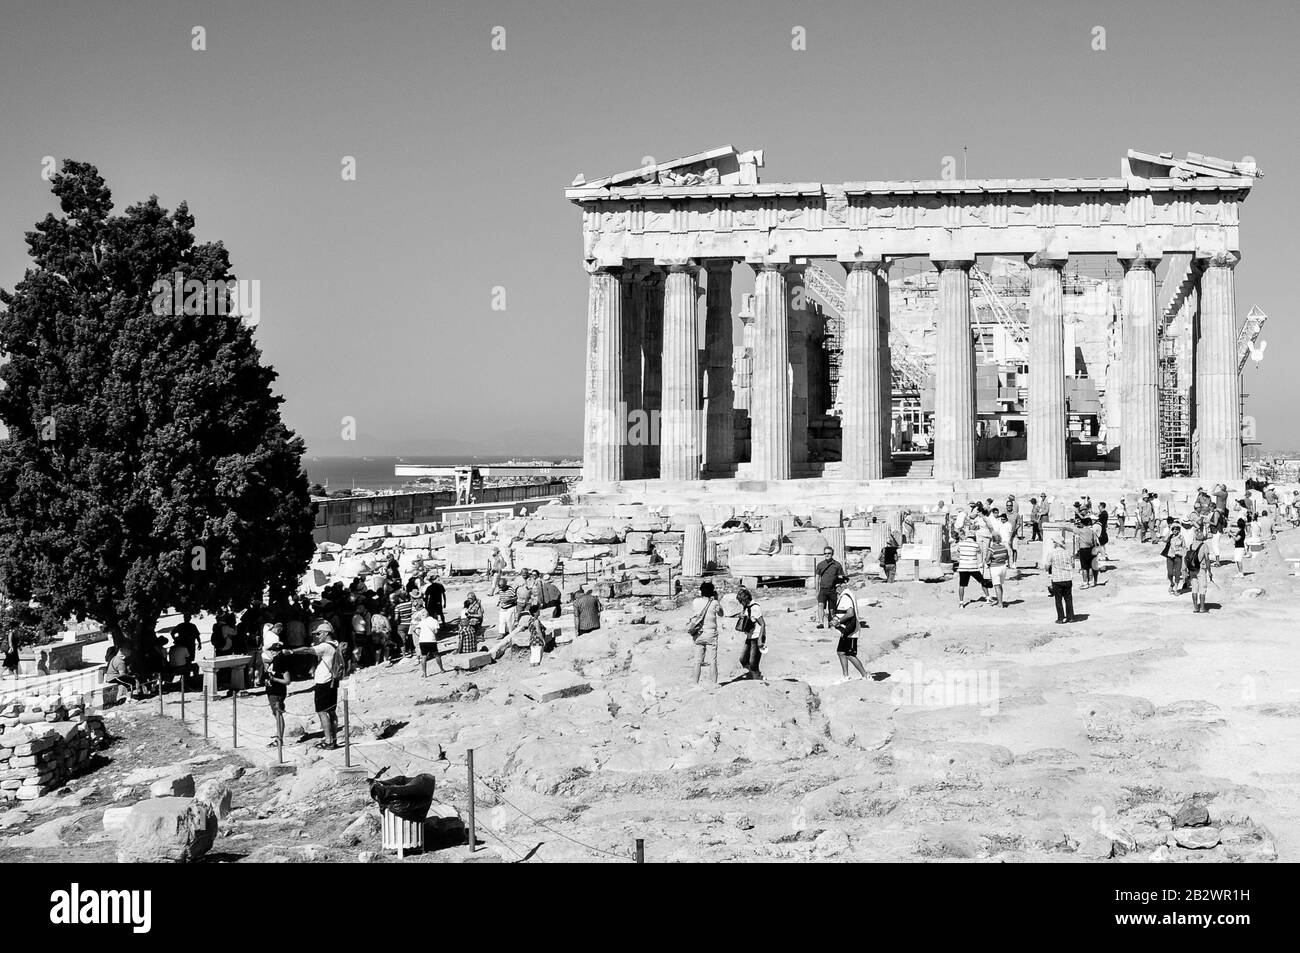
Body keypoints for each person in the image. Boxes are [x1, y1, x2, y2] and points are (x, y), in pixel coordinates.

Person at [288, 623, 342, 749]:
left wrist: (291, 651)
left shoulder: (325, 646)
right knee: (332, 712)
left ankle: (328, 741)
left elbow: (307, 650)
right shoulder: (336, 643)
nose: (317, 636)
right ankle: (333, 739)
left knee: (322, 712)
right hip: (333, 681)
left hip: (324, 681)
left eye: (319, 633)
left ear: (326, 633)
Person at [830, 580, 869, 682]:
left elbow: (850, 613)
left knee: (850, 654)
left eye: (835, 588)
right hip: (847, 630)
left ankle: (866, 676)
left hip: (850, 631)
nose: (836, 591)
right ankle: (846, 676)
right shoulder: (846, 595)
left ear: (840, 587)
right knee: (841, 652)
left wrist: (838, 621)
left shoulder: (845, 597)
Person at [688, 581, 723, 685]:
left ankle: (695, 683)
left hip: (698, 634)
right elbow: (721, 613)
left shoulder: (695, 601)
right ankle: (714, 683)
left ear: (701, 591)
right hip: (711, 634)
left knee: (697, 661)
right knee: (713, 660)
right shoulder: (714, 603)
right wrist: (716, 600)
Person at [263, 640, 292, 748]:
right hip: (272, 691)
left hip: (277, 692)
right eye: (272, 650)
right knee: (276, 714)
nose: (273, 652)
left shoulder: (281, 661)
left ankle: (279, 739)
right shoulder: (275, 660)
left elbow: (287, 681)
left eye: (275, 650)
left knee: (278, 715)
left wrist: (273, 679)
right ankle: (278, 736)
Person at [954, 532, 990, 607]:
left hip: (963, 567)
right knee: (982, 581)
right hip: (973, 567)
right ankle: (988, 598)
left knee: (961, 585)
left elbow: (958, 551)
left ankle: (961, 603)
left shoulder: (961, 543)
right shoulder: (976, 544)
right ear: (974, 537)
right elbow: (979, 552)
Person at [735, 587, 765, 680]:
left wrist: (760, 640)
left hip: (757, 637)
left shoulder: (755, 607)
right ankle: (755, 674)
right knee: (743, 659)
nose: (741, 603)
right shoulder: (746, 608)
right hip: (749, 636)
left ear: (746, 599)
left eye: (741, 601)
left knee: (753, 663)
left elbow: (763, 624)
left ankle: (758, 679)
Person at [1047, 535, 1076, 624]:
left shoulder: (1051, 553)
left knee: (1058, 599)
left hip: (1057, 578)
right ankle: (1070, 617)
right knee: (1068, 598)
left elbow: (1047, 566)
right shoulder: (1068, 553)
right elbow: (1073, 565)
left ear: (1056, 543)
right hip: (1067, 577)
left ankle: (1061, 618)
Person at [814, 546, 846, 627]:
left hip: (832, 590)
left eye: (829, 553)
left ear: (832, 554)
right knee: (820, 605)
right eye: (825, 553)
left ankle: (831, 621)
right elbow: (817, 578)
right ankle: (821, 623)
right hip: (823, 589)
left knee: (831, 610)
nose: (827, 555)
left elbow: (841, 578)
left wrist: (840, 589)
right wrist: (817, 590)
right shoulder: (820, 565)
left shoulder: (837, 565)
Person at [1186, 528, 1213, 614]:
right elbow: (1207, 559)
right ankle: (1202, 608)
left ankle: (1195, 608)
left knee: (1194, 588)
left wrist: (1187, 569)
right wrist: (1209, 571)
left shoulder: (1191, 545)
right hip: (1201, 569)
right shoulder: (1204, 546)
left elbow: (1186, 557)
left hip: (1192, 569)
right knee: (1202, 588)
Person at [416, 605, 447, 673]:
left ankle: (424, 673)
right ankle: (441, 669)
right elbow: (436, 631)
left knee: (423, 657)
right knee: (436, 655)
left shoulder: (421, 622)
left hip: (422, 641)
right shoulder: (434, 621)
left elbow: (417, 631)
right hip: (431, 640)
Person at [1161, 520, 1188, 593]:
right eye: (1174, 529)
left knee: (1177, 573)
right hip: (1170, 556)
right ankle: (1171, 583)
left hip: (1178, 557)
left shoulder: (1181, 537)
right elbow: (1164, 540)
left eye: (1176, 529)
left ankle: (1176, 587)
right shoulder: (1170, 537)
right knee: (1170, 573)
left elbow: (1184, 547)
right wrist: (1170, 530)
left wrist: (1183, 555)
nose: (1175, 531)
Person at [986, 532, 1010, 608]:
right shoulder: (1004, 547)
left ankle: (1000, 603)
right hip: (1003, 567)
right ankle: (1000, 600)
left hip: (995, 567)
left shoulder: (991, 549)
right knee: (1000, 585)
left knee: (996, 585)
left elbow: (987, 560)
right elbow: (1007, 557)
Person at [1074, 517, 1099, 588]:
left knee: (1084, 568)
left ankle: (1085, 582)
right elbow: (1095, 541)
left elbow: (1071, 529)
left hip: (1083, 550)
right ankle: (1091, 581)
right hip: (1091, 549)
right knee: (1090, 567)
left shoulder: (1080, 530)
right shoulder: (1092, 531)